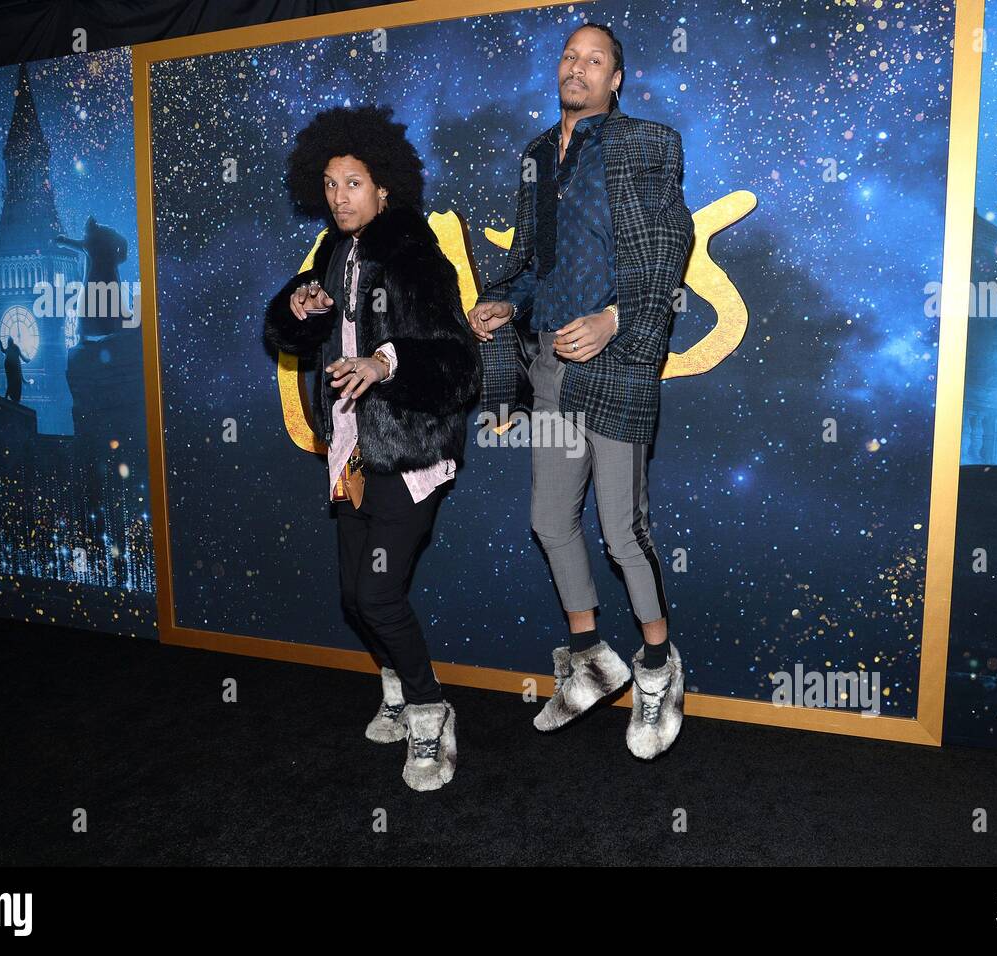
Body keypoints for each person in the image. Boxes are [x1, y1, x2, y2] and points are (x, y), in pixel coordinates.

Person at [466, 22, 694, 759]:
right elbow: (535, 261)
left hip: (616, 361)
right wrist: (507, 301)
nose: (578, 67)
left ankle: (659, 667)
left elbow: (668, 248)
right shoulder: (536, 155)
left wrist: (616, 318)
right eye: (570, 56)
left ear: (616, 79)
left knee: (623, 533)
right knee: (549, 519)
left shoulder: (648, 143)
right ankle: (592, 654)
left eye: (595, 60)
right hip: (549, 369)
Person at [263, 104, 480, 792]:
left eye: (352, 183)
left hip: (407, 449)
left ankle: (428, 711)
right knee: (354, 597)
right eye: (329, 185)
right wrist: (296, 312)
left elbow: (457, 363)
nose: (339, 197)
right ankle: (393, 686)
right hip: (352, 448)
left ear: (384, 186)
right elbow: (300, 335)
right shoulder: (334, 251)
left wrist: (385, 362)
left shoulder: (414, 253)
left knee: (378, 593)